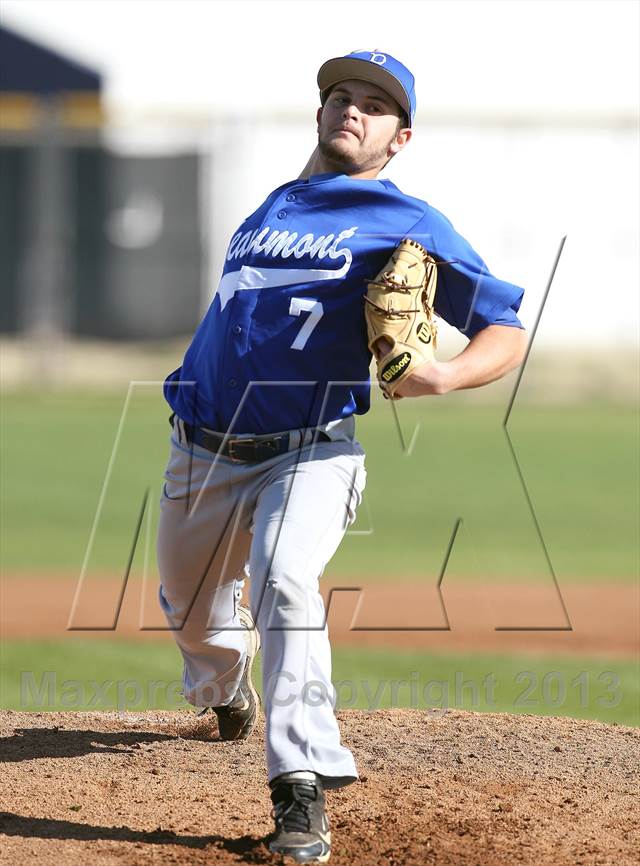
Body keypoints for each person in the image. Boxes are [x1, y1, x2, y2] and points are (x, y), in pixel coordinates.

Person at [156, 49, 527, 864]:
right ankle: (227, 689)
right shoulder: (282, 200)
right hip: (200, 450)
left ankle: (300, 787)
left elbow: (507, 325)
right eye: (338, 97)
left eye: (373, 105)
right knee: (189, 610)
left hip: (310, 451)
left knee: (286, 578)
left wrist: (441, 375)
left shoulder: (408, 221)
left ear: (401, 137)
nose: (351, 110)